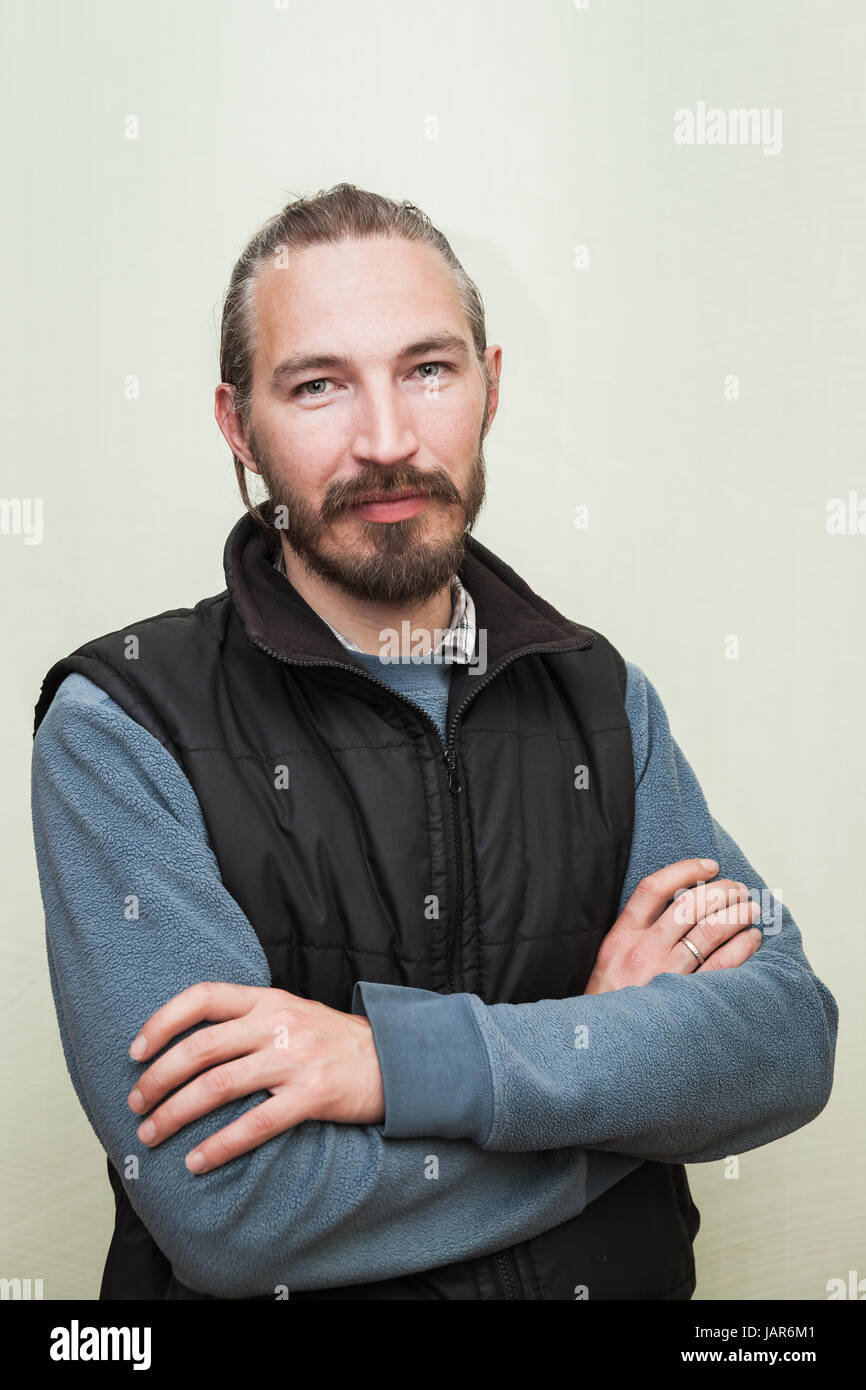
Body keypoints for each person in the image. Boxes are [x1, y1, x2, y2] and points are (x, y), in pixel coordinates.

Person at [31, 183, 838, 1301]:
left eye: (427, 370)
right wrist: (619, 1071)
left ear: (489, 387)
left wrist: (395, 1063)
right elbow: (235, 1213)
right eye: (318, 385)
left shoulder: (599, 699)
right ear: (238, 426)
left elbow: (784, 1043)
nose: (388, 440)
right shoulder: (120, 727)